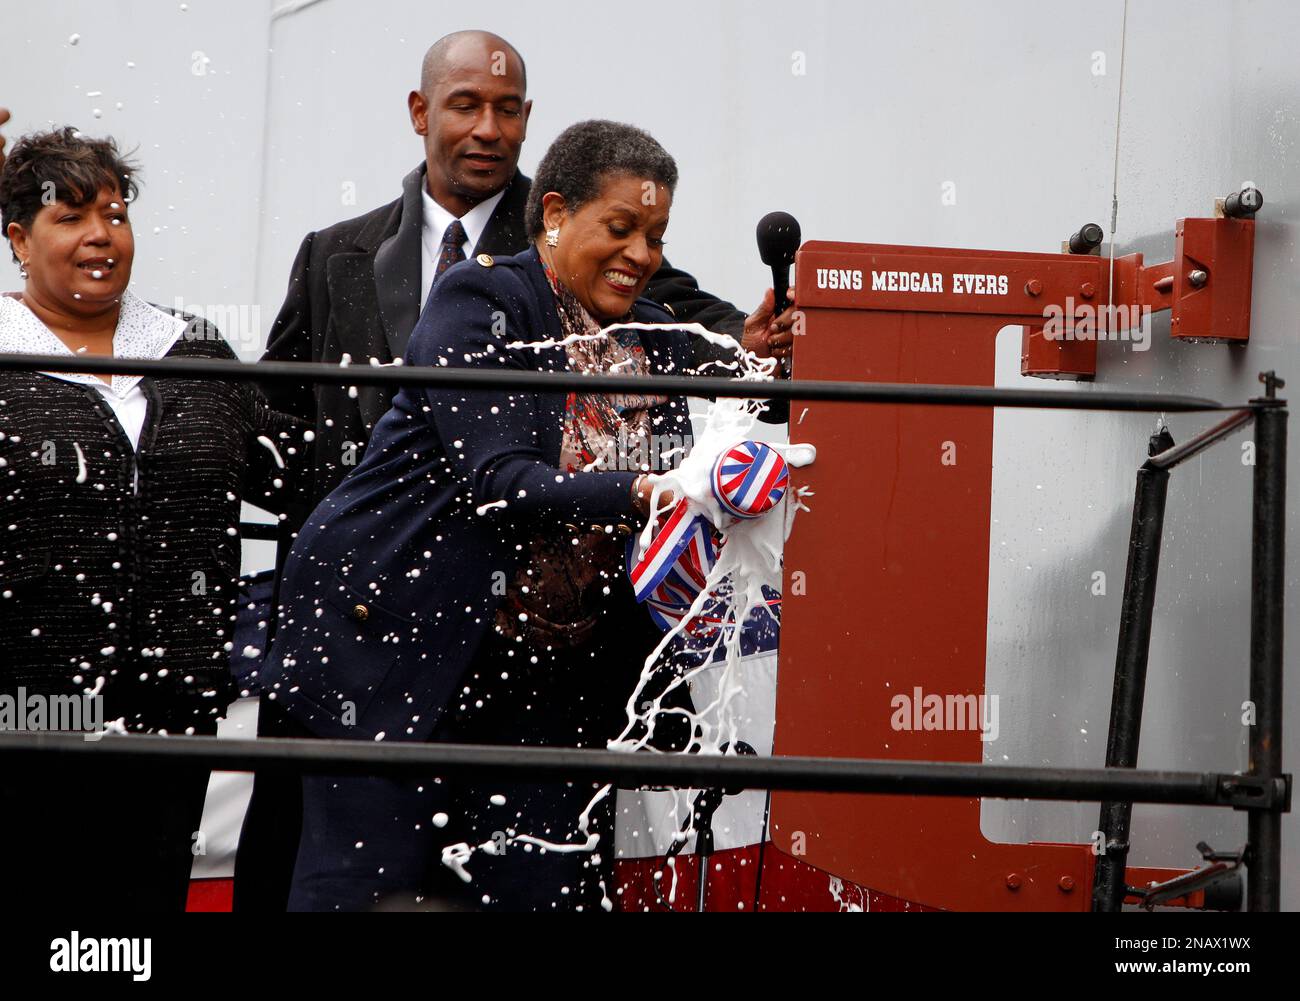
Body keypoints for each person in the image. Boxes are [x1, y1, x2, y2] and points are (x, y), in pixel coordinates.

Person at [239, 28, 793, 910]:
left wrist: (761, 407)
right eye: (623, 228)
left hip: (538, 676)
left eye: (657, 234)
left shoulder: (644, 328)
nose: (642, 253)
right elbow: (505, 482)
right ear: (556, 214)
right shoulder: (482, 296)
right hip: (388, 646)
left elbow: (733, 389)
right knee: (358, 893)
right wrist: (660, 489)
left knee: (544, 890)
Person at [0, 127, 307, 910]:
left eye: (114, 212)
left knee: (137, 921)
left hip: (170, 715)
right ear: (18, 241)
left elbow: (304, 472)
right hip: (23, 716)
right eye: (69, 216)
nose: (101, 234)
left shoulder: (193, 350)